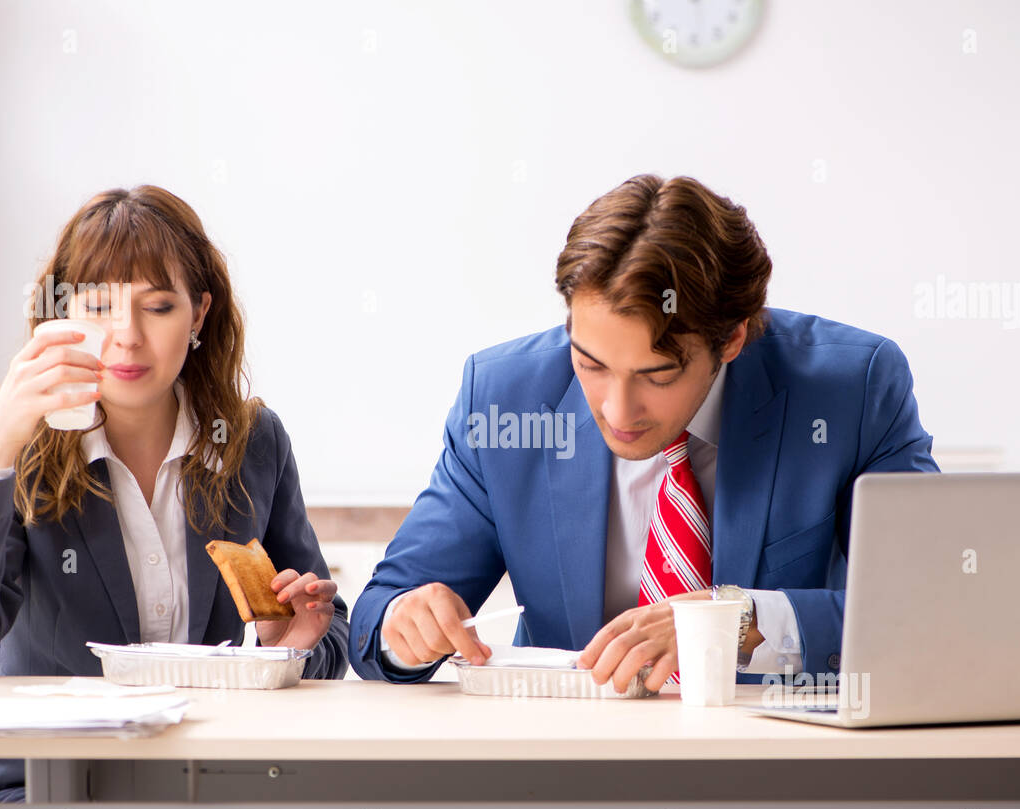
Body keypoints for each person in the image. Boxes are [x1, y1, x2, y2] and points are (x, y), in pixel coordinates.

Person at [350, 173, 938, 689]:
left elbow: (926, 606)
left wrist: (736, 620)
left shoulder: (851, 389)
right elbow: (377, 618)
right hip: (572, 765)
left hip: (779, 763)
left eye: (657, 374)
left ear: (731, 338)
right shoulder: (506, 398)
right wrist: (408, 625)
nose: (615, 409)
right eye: (591, 363)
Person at [0, 185, 348, 809]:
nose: (128, 335)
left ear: (200, 314)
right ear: (62, 315)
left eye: (159, 305)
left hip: (197, 791)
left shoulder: (252, 442)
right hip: (30, 798)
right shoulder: (14, 444)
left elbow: (329, 631)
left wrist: (285, 649)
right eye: (97, 305)